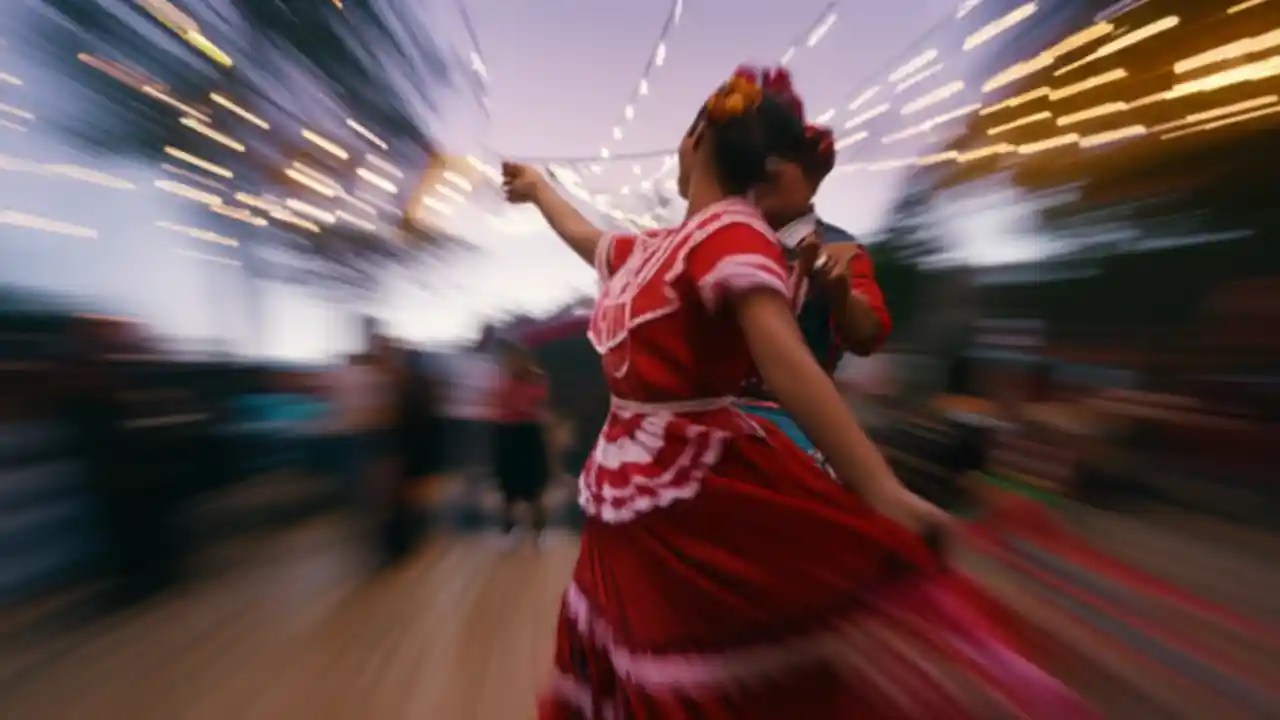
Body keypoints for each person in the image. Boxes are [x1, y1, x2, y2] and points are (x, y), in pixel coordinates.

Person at [503, 66, 1090, 718]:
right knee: (650, 665)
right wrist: (539, 189)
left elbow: (786, 359)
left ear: (698, 137)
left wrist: (881, 490)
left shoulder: (731, 229)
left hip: (700, 490)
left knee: (700, 672)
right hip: (634, 505)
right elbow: (590, 240)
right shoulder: (666, 245)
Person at [740, 122, 893, 466]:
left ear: (811, 178)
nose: (764, 172)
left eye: (777, 162)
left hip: (792, 427)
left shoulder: (841, 248)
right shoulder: (730, 238)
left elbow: (868, 335)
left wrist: (840, 294)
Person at [491, 341, 551, 544]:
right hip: (507, 432)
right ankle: (508, 528)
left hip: (528, 432)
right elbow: (499, 403)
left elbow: (538, 405)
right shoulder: (502, 380)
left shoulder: (536, 379)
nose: (512, 363)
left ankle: (538, 528)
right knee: (508, 485)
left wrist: (522, 408)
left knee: (534, 485)